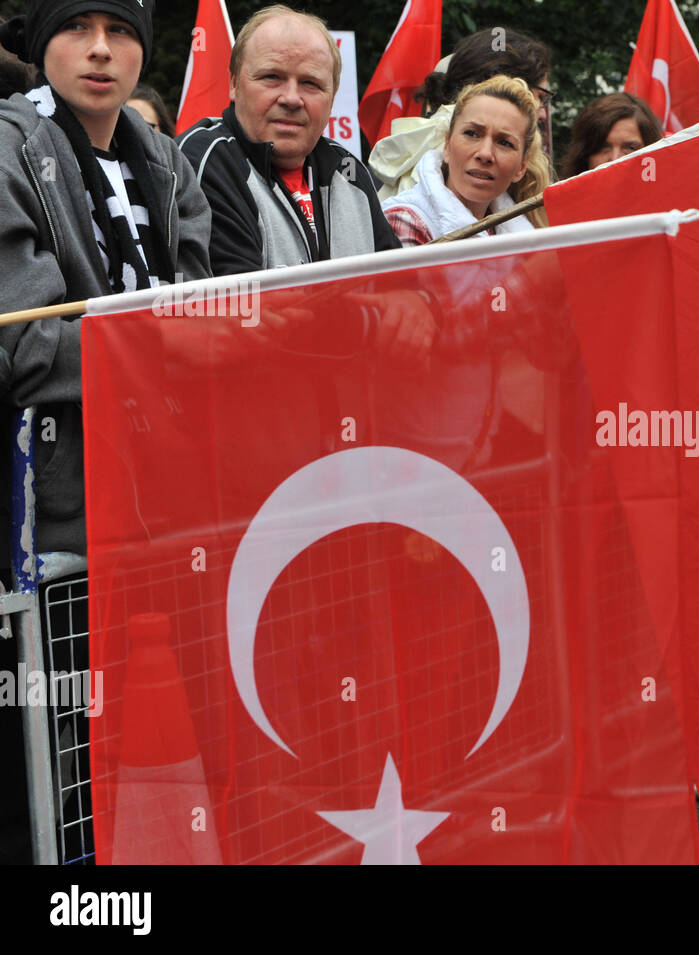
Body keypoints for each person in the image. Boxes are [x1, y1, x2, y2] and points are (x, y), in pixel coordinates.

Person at [0, 0, 210, 865]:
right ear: (38, 42)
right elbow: (24, 344)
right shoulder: (8, 143)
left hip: (165, 524)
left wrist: (184, 346)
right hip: (51, 530)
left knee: (149, 781)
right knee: (49, 790)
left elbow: (215, 322)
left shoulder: (166, 157)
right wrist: (167, 349)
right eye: (76, 28)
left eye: (121, 31)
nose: (99, 50)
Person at [178, 4, 399, 275]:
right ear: (234, 84)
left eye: (311, 83)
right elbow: (242, 307)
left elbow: (399, 287)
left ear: (332, 98)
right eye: (272, 77)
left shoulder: (349, 170)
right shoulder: (201, 163)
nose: (291, 99)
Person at [368, 27, 553, 204]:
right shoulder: (410, 215)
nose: (485, 155)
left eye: (504, 143)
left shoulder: (407, 151)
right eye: (540, 96)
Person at [381, 74, 549, 246]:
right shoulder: (406, 222)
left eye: (504, 143)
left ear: (521, 167)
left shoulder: (526, 239)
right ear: (447, 145)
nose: (485, 154)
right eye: (472, 133)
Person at [560, 92, 662, 179]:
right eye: (602, 147)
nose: (615, 159)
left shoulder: (670, 201)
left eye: (630, 148)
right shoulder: (561, 202)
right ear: (584, 155)